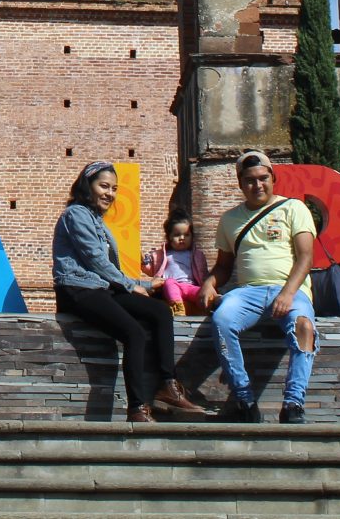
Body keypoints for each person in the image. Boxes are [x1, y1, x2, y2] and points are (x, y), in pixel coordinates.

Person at [52, 161, 213, 422]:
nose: (110, 193)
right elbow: (95, 260)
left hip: (101, 288)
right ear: (87, 186)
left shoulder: (97, 221)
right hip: (77, 288)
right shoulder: (75, 214)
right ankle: (137, 408)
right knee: (134, 332)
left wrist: (147, 285)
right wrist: (131, 286)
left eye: (114, 188)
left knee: (160, 311)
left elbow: (109, 270)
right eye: (104, 186)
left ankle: (168, 385)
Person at [199, 150, 319, 424]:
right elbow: (223, 266)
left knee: (304, 326)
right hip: (247, 292)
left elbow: (306, 258)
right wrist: (209, 283)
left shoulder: (294, 208)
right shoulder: (229, 219)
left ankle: (293, 404)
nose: (258, 185)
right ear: (240, 184)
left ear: (273, 178)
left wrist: (287, 293)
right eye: (250, 180)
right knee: (221, 320)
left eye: (263, 178)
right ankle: (245, 400)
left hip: (291, 289)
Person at [143, 210, 207, 315]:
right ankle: (177, 307)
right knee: (169, 282)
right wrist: (144, 263)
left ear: (192, 236)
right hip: (172, 287)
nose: (182, 238)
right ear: (169, 237)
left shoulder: (197, 255)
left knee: (202, 291)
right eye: (177, 235)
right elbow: (151, 269)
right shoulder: (163, 255)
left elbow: (203, 273)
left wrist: (207, 286)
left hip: (191, 286)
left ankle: (210, 303)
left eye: (186, 235)